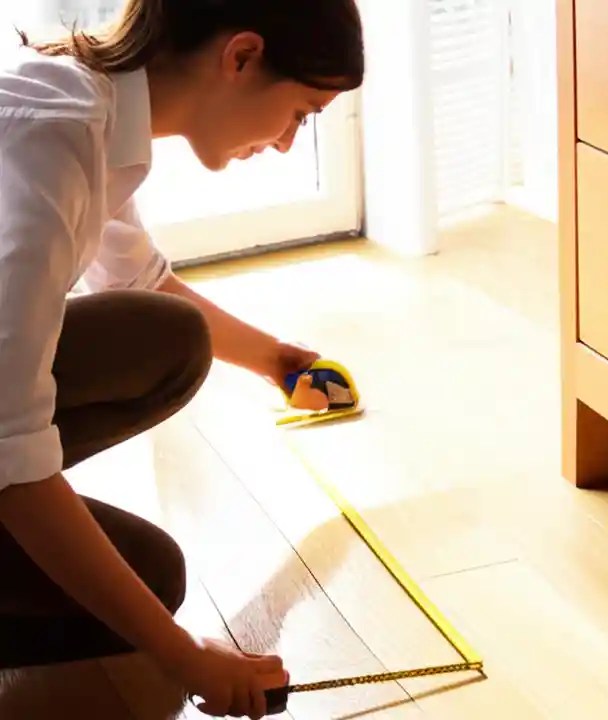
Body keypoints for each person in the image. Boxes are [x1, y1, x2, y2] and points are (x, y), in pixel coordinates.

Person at [0, 0, 364, 717]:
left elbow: (138, 279)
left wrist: (276, 361)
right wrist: (185, 656)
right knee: (150, 580)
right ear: (240, 57)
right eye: (302, 113)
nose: (290, 143)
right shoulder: (52, 137)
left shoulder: (89, 109)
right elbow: (9, 444)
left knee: (166, 338)